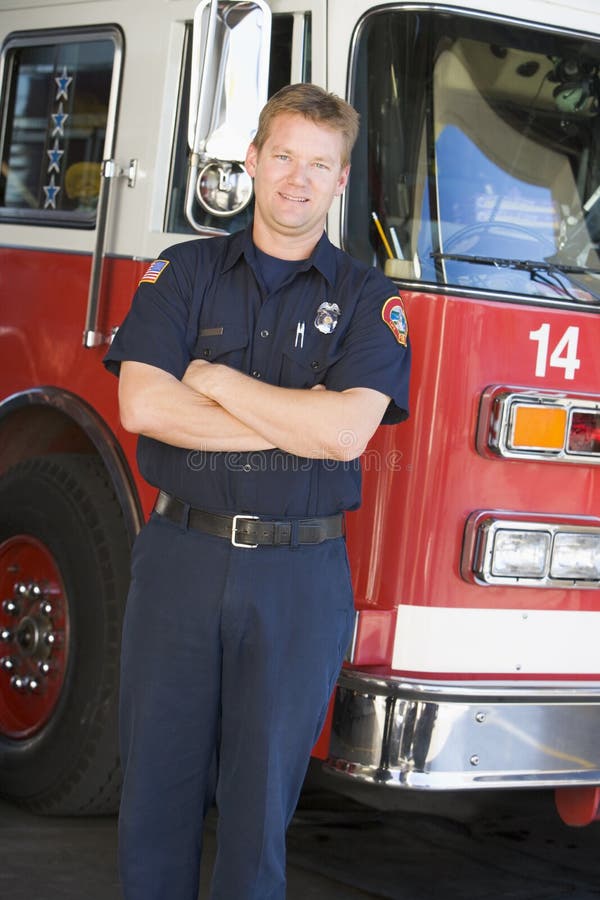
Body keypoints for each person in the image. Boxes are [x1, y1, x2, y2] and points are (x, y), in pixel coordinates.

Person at [104, 83, 411, 900]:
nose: (298, 179)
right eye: (283, 156)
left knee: (258, 815)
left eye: (320, 163)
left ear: (341, 180)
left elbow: (347, 437)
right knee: (154, 799)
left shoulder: (370, 300)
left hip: (298, 578)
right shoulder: (182, 271)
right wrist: (297, 420)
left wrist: (210, 380)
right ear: (252, 161)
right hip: (179, 560)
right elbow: (142, 404)